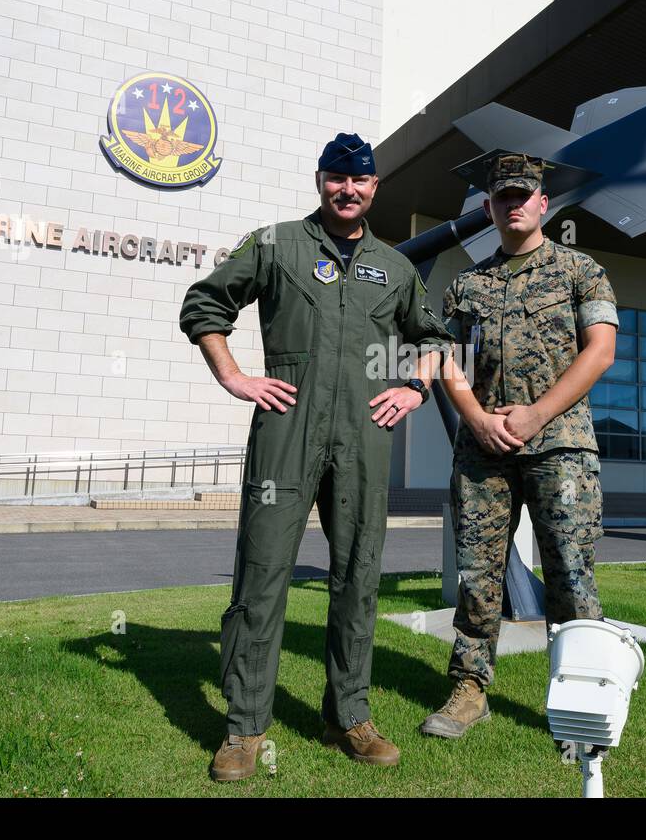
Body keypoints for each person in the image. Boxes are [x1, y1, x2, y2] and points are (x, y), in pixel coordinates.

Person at [179, 132, 453, 780]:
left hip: (363, 436)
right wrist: (235, 376)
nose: (347, 190)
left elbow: (435, 337)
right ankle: (245, 727)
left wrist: (414, 388)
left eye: (359, 181)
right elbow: (205, 302)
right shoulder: (276, 244)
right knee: (261, 573)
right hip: (286, 427)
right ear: (320, 180)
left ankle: (348, 717)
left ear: (375, 187)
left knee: (358, 577)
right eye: (336, 179)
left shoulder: (395, 266)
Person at [421, 153, 618, 739]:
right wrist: (476, 418)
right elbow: (441, 358)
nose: (512, 204)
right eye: (501, 197)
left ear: (543, 203)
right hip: (484, 452)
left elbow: (599, 352)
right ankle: (468, 690)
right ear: (488, 208)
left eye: (522, 195)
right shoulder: (466, 284)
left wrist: (536, 414)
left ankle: (582, 700)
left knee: (570, 574)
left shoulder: (582, 272)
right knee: (478, 576)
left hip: (560, 447)